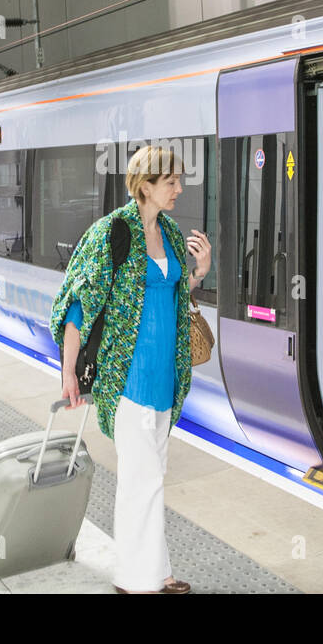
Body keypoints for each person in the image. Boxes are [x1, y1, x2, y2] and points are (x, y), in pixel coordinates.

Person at [49, 145, 211, 595]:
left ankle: (157, 573)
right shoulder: (112, 233)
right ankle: (134, 581)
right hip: (128, 379)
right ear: (145, 187)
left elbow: (175, 291)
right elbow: (78, 303)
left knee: (152, 476)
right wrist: (68, 372)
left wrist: (199, 271)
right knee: (141, 480)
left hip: (165, 377)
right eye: (171, 182)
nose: (179, 188)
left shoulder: (172, 233)